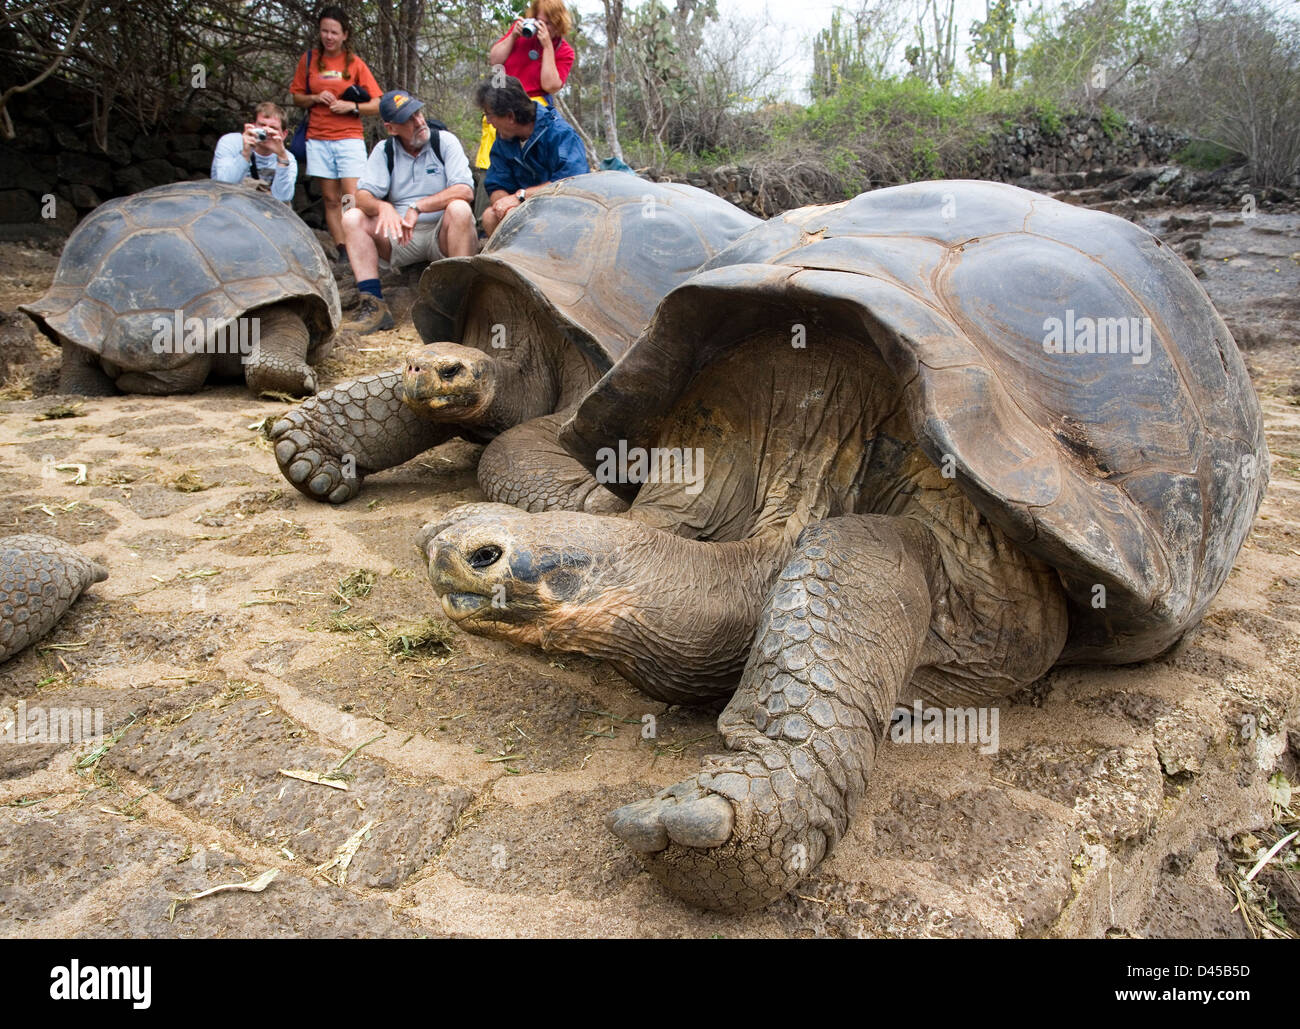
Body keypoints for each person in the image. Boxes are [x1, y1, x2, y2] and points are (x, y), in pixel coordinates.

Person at [341, 90, 477, 334]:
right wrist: (383, 207)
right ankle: (374, 306)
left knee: (459, 208)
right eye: (409, 119)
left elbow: (465, 189)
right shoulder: (385, 151)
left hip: (442, 234)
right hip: (402, 236)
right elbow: (361, 196)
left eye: (418, 113)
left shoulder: (443, 141)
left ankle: (460, 303)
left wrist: (418, 206)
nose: (419, 122)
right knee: (352, 217)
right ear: (392, 128)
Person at [290, 6, 382, 270]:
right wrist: (315, 98)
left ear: (345, 35)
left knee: (351, 196)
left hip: (348, 137)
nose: (328, 37)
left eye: (334, 32)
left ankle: (359, 244)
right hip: (318, 136)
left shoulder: (354, 64)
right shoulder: (309, 60)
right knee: (330, 198)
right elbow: (296, 96)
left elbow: (377, 103)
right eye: (324, 31)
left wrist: (350, 107)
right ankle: (342, 250)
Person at [475, 0, 576, 211]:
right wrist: (513, 35)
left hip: (531, 109)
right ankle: (488, 221)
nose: (541, 27)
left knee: (534, 161)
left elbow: (550, 84)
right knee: (491, 164)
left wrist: (547, 45)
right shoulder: (519, 34)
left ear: (558, 25)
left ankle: (533, 206)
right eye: (539, 21)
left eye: (548, 24)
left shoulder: (563, 50)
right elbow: (495, 61)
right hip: (500, 103)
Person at [474, 75, 589, 238]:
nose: (489, 122)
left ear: (510, 117)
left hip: (562, 212)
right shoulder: (503, 140)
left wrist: (520, 197)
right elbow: (496, 184)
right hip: (522, 212)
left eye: (490, 115)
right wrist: (506, 207)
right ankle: (510, 262)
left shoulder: (559, 133)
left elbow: (572, 183)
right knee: (489, 217)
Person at [210, 102, 298, 203]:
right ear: (252, 126)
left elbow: (283, 198)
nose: (267, 131)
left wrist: (282, 158)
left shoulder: (288, 158)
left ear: (284, 134)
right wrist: (245, 153)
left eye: (273, 128)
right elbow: (223, 185)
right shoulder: (230, 142)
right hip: (227, 204)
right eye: (262, 125)